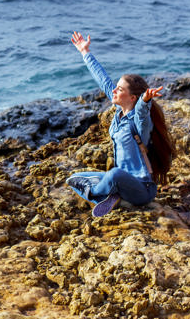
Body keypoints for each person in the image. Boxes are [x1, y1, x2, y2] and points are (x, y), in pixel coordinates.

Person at [68, 31, 174, 216]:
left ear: (132, 97)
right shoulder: (119, 111)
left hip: (142, 189)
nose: (114, 90)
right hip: (122, 181)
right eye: (116, 87)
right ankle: (117, 197)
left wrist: (145, 100)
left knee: (113, 174)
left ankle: (98, 194)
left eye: (120, 89)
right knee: (75, 178)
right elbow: (103, 80)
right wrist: (85, 52)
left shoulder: (140, 123)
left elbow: (142, 113)